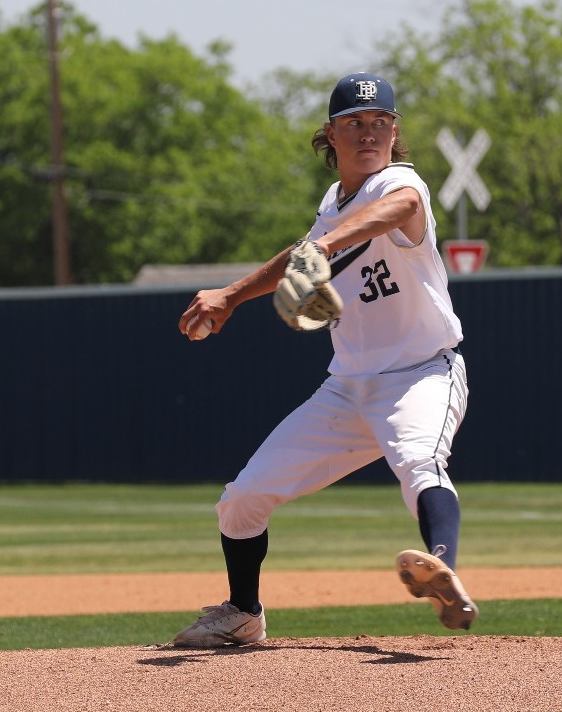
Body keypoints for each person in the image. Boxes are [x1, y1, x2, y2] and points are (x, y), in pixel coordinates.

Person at [173, 72, 475, 646]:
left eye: (380, 123)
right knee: (242, 500)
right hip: (346, 389)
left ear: (394, 132)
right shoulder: (333, 204)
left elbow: (394, 209)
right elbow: (301, 252)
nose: (369, 133)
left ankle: (440, 567)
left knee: (420, 467)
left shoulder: (402, 183)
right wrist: (231, 296)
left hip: (420, 376)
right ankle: (242, 613)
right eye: (354, 123)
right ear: (330, 135)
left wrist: (327, 245)